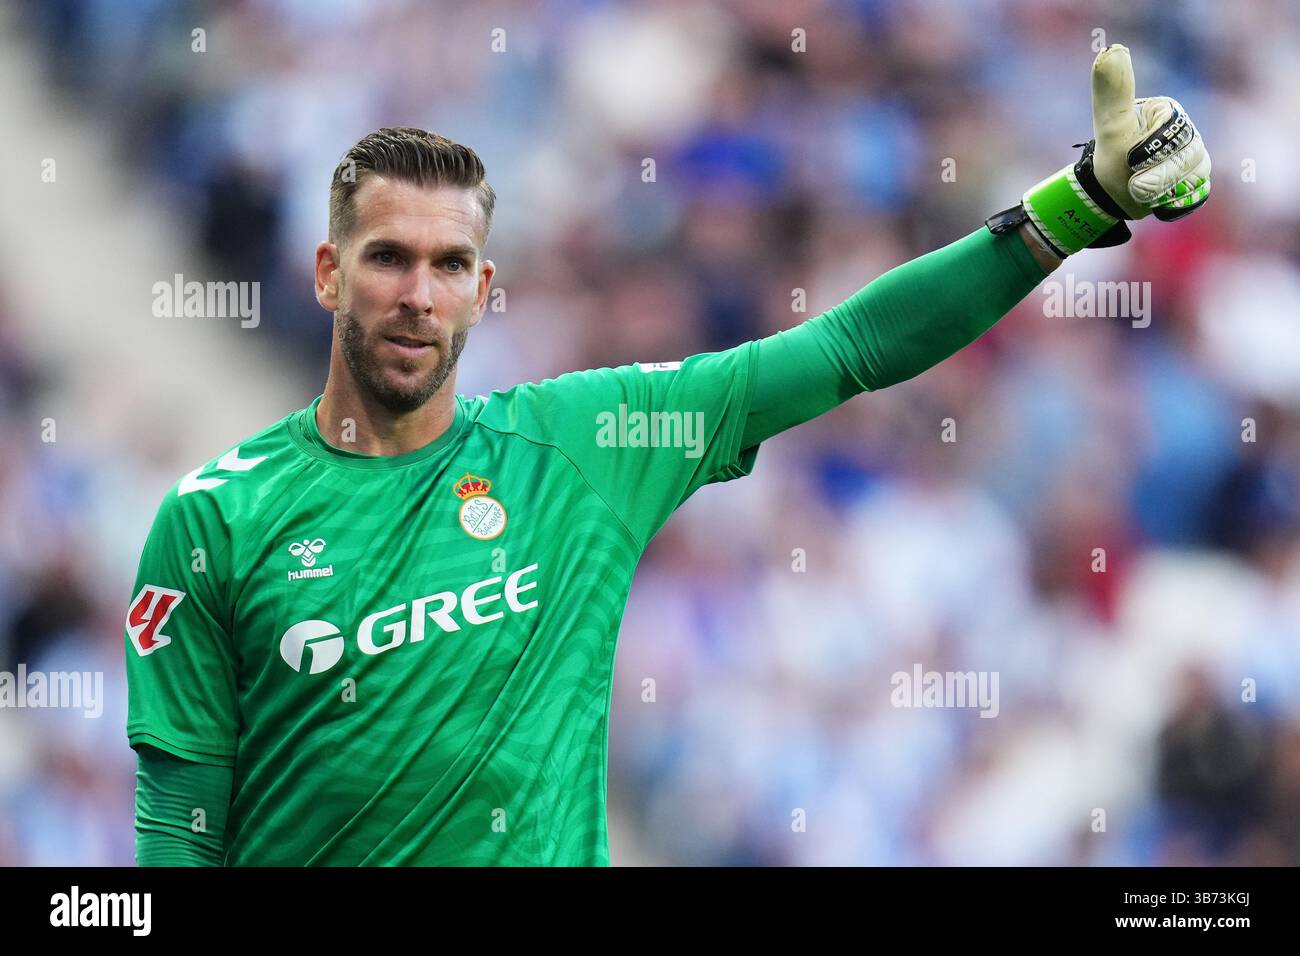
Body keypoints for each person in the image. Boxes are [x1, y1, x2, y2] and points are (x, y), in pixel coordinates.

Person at [125, 45, 1209, 865]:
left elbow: (848, 347)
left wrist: (1080, 204)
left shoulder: (585, 442)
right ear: (324, 272)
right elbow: (180, 817)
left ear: (483, 290)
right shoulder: (219, 518)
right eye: (387, 258)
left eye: (449, 263)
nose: (418, 293)